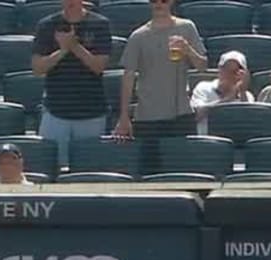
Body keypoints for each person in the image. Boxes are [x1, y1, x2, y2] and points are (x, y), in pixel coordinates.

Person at [115, 0, 205, 173]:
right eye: (154, 0)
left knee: (183, 173)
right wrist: (124, 116)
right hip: (148, 117)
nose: (159, 4)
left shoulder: (187, 28)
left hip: (181, 114)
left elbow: (202, 66)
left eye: (163, 0)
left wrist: (188, 49)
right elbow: (128, 76)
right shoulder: (138, 36)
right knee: (150, 173)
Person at [31, 0, 112, 167]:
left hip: (91, 111)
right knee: (52, 166)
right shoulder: (47, 25)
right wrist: (63, 50)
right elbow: (38, 68)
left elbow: (99, 67)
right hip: (56, 111)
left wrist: (74, 46)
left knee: (89, 169)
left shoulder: (99, 24)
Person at [190, 50, 251, 135]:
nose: (229, 75)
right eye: (226, 69)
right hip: (208, 139)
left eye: (234, 71)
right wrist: (228, 99)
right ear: (219, 70)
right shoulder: (203, 87)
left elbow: (248, 123)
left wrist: (242, 92)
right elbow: (197, 115)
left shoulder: (246, 96)